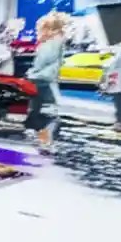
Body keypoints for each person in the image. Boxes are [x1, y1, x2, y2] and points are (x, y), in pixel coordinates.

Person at [25, 12, 69, 152]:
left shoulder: (50, 44)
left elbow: (40, 63)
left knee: (39, 113)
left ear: (49, 30)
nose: (38, 32)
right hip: (46, 79)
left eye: (40, 29)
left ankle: (45, 139)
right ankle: (43, 138)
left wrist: (30, 73)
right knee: (40, 111)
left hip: (41, 79)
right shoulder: (58, 42)